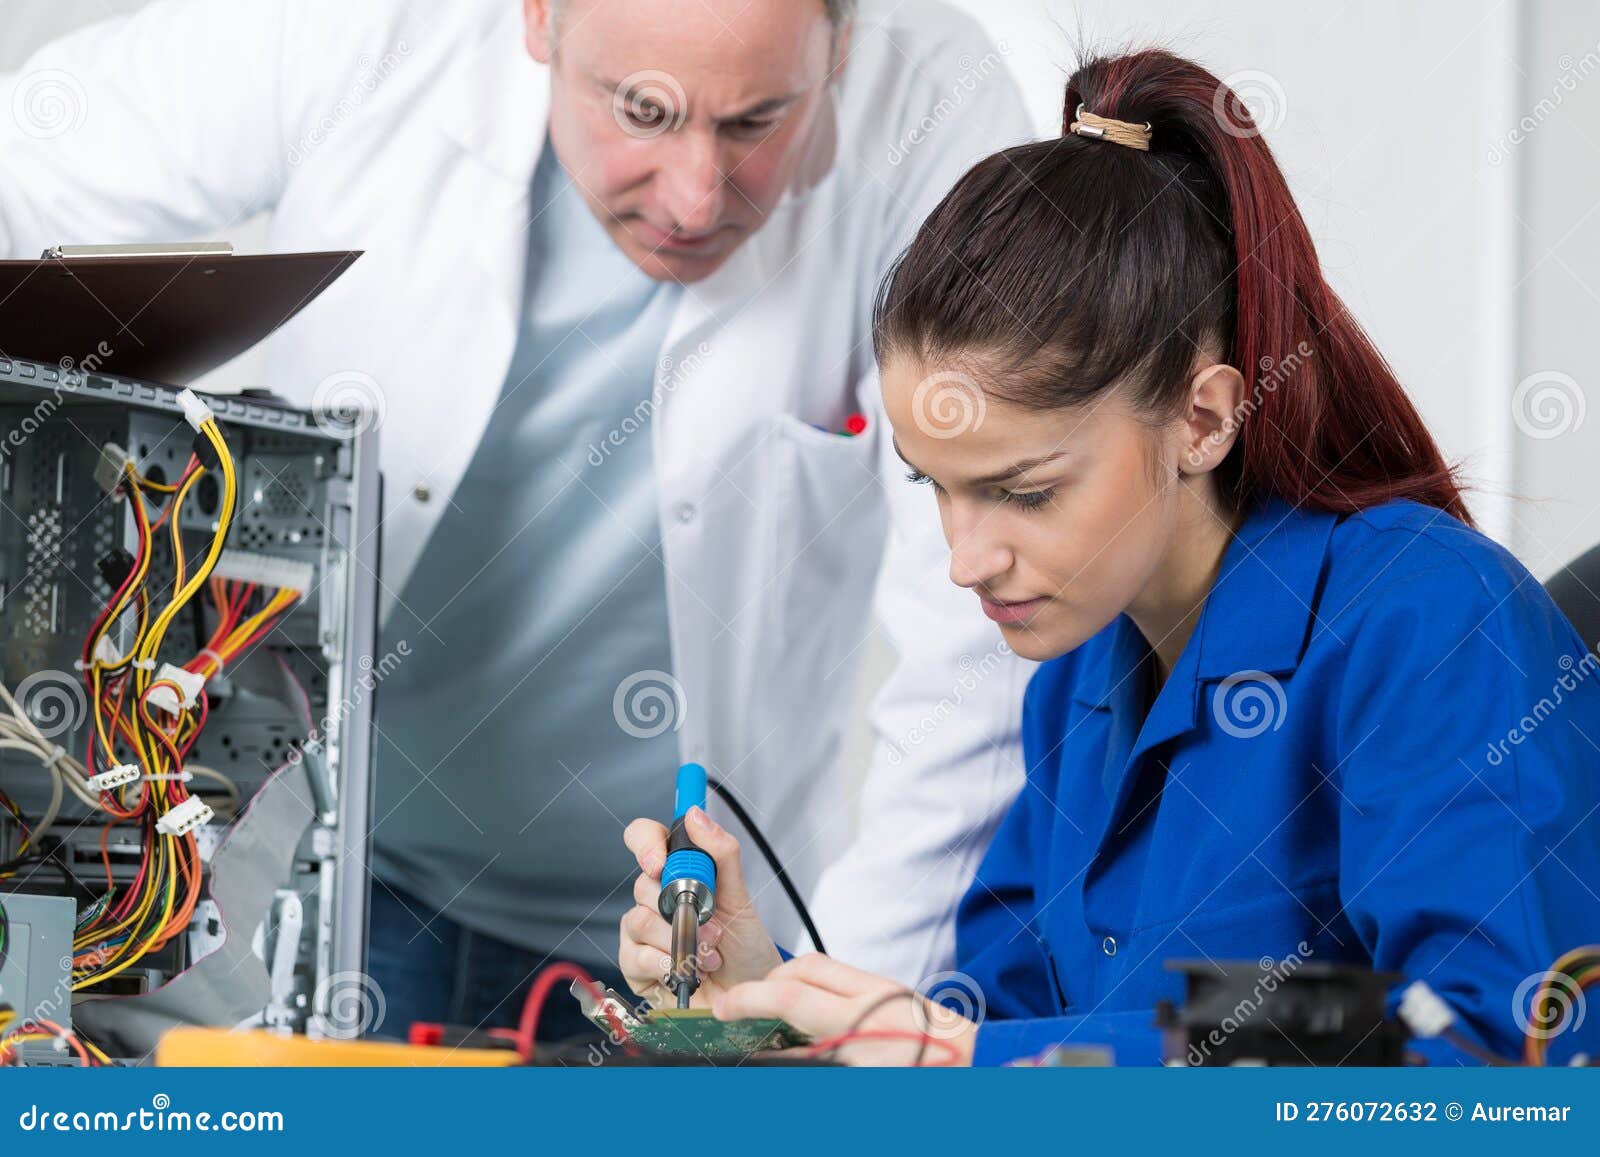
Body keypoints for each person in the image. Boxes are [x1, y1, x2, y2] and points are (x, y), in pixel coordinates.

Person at [0, 0, 1035, 1040]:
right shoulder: (368, 30)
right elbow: (23, 162)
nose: (693, 196)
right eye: (641, 111)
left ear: (841, 47)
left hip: (689, 936)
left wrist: (847, 1012)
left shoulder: (932, 108)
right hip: (351, 884)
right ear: (539, 18)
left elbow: (979, 642)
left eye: (756, 122)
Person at [618, 48, 1600, 1065]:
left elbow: (1501, 1047)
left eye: (1025, 490)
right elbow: (994, 1032)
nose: (966, 560)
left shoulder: (1430, 627)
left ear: (1203, 417)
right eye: (934, 486)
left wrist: (958, 1057)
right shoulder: (1080, 677)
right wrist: (768, 999)